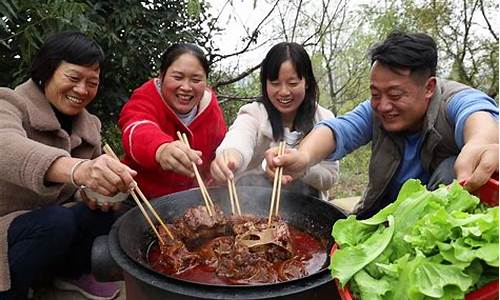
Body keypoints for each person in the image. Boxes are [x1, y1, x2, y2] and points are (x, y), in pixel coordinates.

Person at [266, 32, 499, 218]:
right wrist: (303, 157)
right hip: (381, 220)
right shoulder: (376, 109)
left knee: (450, 167)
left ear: (429, 87)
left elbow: (480, 119)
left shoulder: (454, 101)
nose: (383, 106)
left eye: (395, 95)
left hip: (436, 228)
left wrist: (481, 145)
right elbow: (339, 129)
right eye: (375, 94)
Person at [0, 31, 136, 300]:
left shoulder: (90, 126)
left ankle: (71, 274)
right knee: (57, 221)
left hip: (51, 227)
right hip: (7, 228)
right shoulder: (9, 102)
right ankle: (13, 291)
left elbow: (78, 191)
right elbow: (5, 145)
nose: (82, 90)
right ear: (47, 71)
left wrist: (94, 194)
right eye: (73, 78)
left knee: (117, 214)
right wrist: (78, 170)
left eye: (92, 82)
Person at [210, 42, 339, 200]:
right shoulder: (254, 113)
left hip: (308, 207)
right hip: (251, 203)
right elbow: (239, 137)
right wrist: (230, 157)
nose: (284, 92)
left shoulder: (324, 119)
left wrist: (301, 168)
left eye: (292, 83)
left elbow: (330, 176)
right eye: (275, 83)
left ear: (307, 83)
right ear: (265, 84)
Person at [119, 43, 227, 199]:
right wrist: (161, 149)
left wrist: (222, 167)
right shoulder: (147, 98)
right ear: (162, 76)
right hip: (141, 199)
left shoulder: (211, 109)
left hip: (192, 202)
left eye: (196, 80)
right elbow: (136, 128)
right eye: (177, 77)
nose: (186, 87)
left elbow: (220, 149)